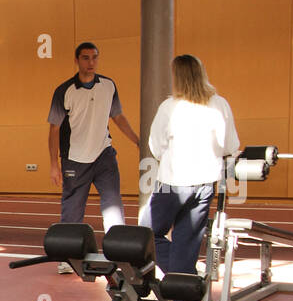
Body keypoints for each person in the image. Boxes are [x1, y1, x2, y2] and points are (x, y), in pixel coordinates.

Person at [140, 54, 239, 276]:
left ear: (177, 77)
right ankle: (183, 281)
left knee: (147, 234)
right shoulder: (219, 104)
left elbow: (155, 146)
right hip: (204, 183)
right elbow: (230, 145)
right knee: (186, 241)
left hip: (172, 183)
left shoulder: (170, 107)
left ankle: (182, 276)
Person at [47, 42, 140, 271]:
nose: (91, 63)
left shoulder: (108, 86)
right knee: (72, 209)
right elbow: (54, 130)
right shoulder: (64, 91)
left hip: (103, 155)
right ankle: (67, 258)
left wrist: (137, 140)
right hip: (75, 159)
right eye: (86, 58)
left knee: (112, 204)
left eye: (94, 58)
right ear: (77, 60)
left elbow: (118, 117)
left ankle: (119, 253)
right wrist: (54, 164)